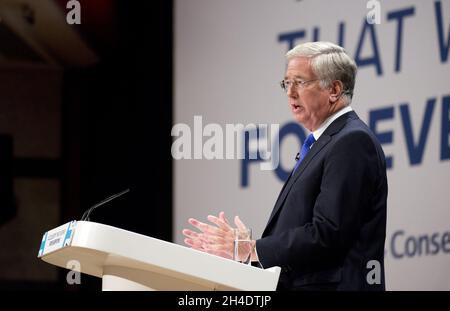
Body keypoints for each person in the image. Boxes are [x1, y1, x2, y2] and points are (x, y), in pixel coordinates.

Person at [182, 41, 387, 291]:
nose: (290, 93)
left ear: (334, 89)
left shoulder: (352, 141)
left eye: (299, 82)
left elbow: (328, 234)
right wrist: (249, 251)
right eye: (286, 83)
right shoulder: (321, 143)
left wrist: (252, 249)